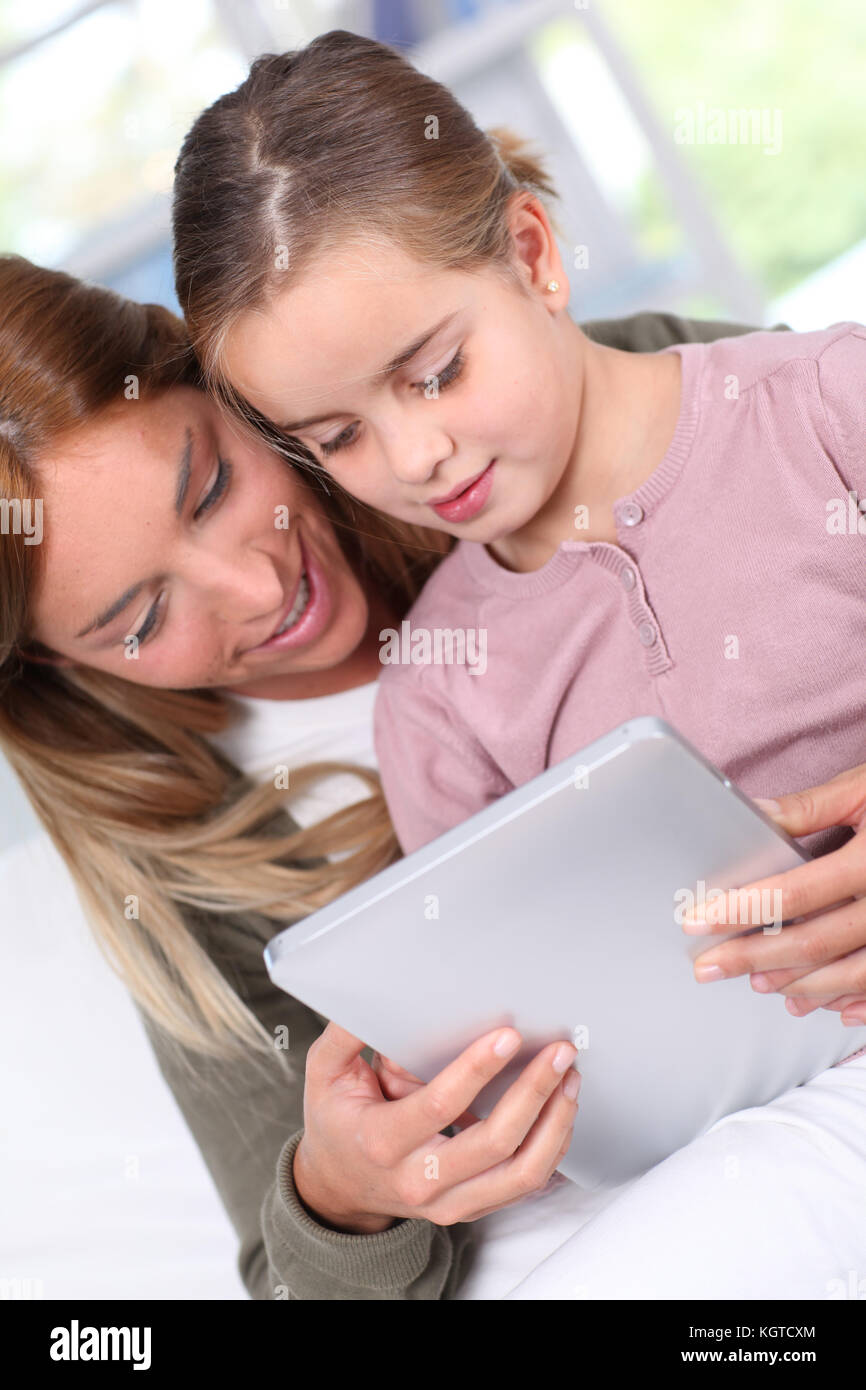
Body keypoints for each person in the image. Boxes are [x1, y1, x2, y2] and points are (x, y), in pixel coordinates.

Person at [168, 30, 866, 1295]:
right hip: (764, 1139)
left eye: (435, 372)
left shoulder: (826, 408)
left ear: (535, 258)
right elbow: (536, 1042)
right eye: (339, 437)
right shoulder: (439, 689)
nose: (417, 456)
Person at [0, 253, 763, 1299]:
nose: (256, 585)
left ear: (215, 381)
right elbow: (290, 1281)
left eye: (215, 486)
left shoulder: (551, 410)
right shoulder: (184, 859)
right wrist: (342, 1193)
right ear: (51, 662)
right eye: (141, 619)